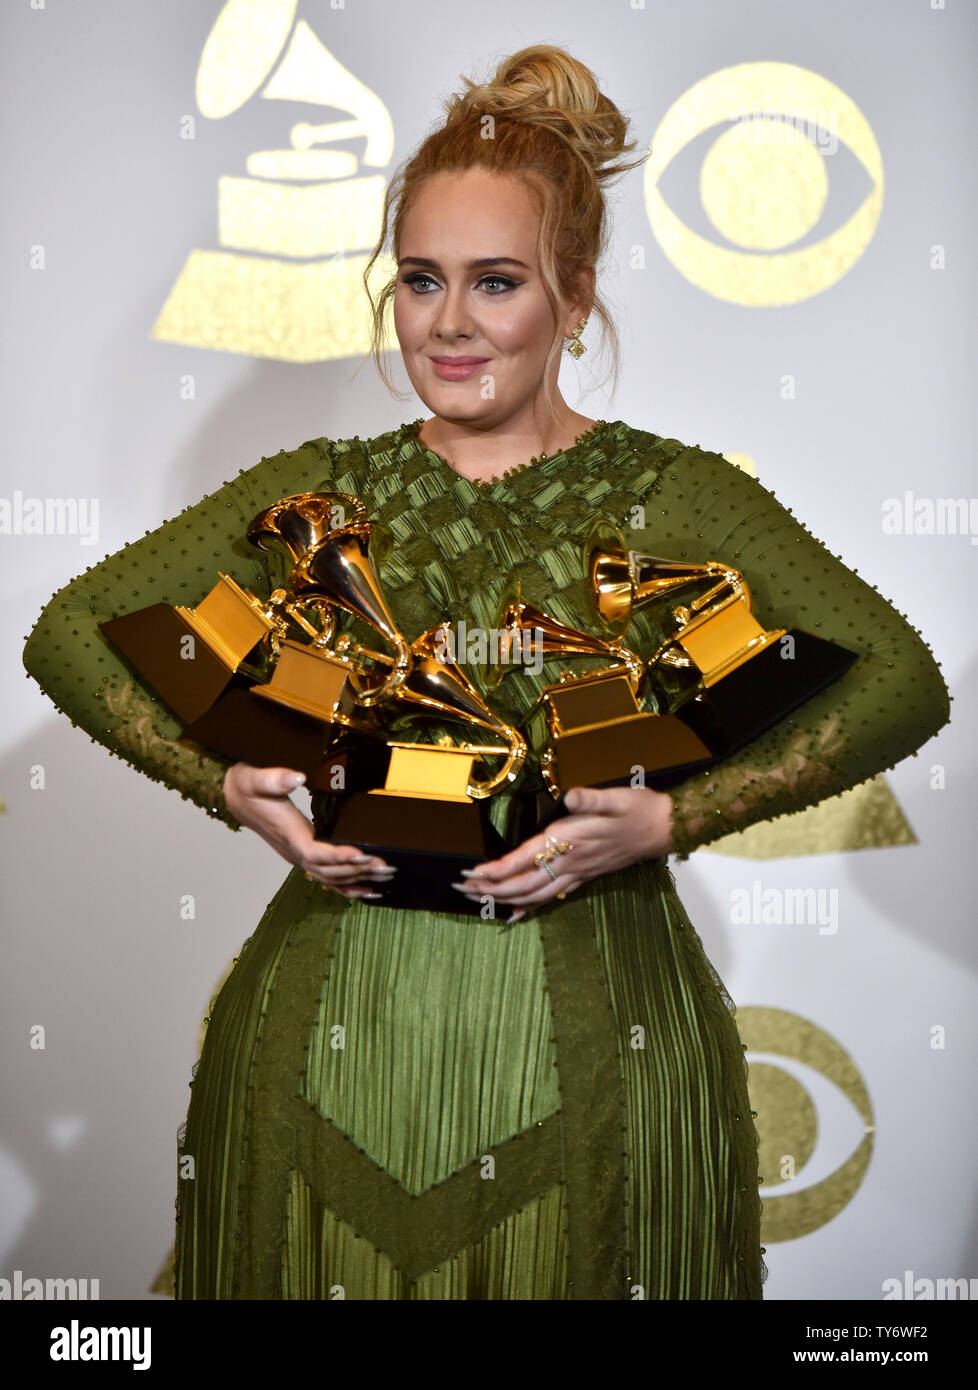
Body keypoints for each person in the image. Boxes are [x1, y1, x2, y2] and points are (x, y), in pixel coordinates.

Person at [22, 45, 949, 1301]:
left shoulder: (675, 494)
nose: (448, 323)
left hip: (603, 1044)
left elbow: (903, 677)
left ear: (575, 296)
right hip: (324, 1042)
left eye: (495, 282)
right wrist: (226, 782)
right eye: (421, 280)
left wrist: (676, 817)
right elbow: (72, 629)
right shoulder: (320, 488)